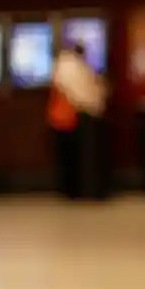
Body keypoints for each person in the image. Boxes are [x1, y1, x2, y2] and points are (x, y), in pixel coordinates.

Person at [49, 43, 107, 199]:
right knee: (78, 157)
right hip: (78, 118)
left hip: (63, 120)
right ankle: (79, 189)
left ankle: (70, 190)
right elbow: (86, 96)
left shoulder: (61, 66)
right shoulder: (75, 67)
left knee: (67, 158)